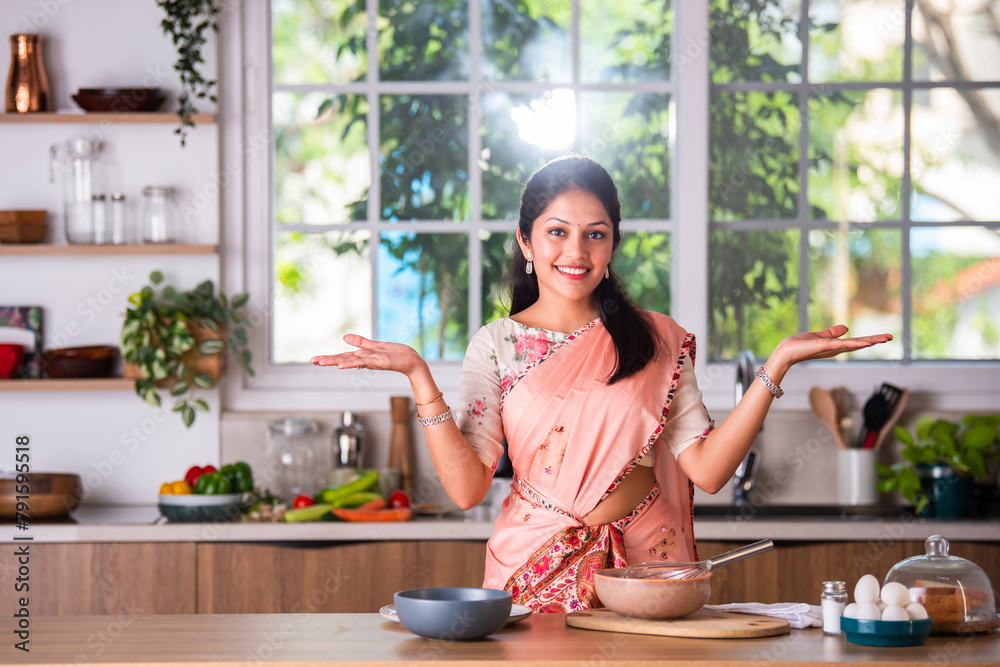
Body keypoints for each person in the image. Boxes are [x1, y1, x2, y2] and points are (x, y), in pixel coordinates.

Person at [310, 155, 892, 612]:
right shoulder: (496, 345)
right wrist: (418, 375)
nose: (575, 250)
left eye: (595, 234)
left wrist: (777, 365)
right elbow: (465, 489)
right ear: (526, 242)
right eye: (557, 231)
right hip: (534, 570)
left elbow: (709, 471)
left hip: (643, 575)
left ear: (613, 244)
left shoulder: (656, 341)